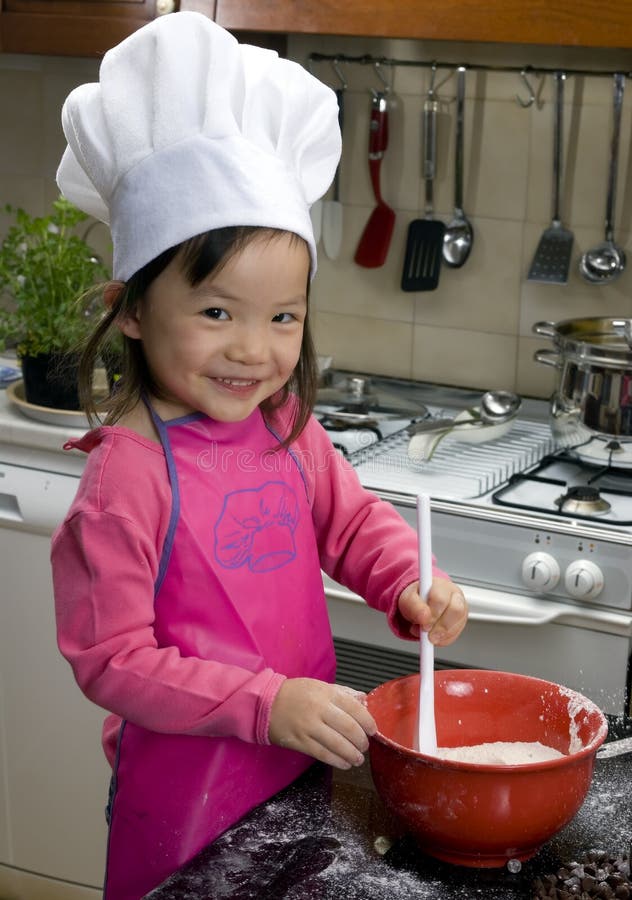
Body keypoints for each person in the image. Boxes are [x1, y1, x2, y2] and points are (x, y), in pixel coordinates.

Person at [50, 12, 468, 900]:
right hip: (185, 790)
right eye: (216, 313)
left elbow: (352, 524)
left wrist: (408, 579)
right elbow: (111, 659)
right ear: (131, 309)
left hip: (297, 761)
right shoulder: (126, 475)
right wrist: (264, 704)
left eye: (283, 317)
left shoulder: (288, 430)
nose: (255, 350)